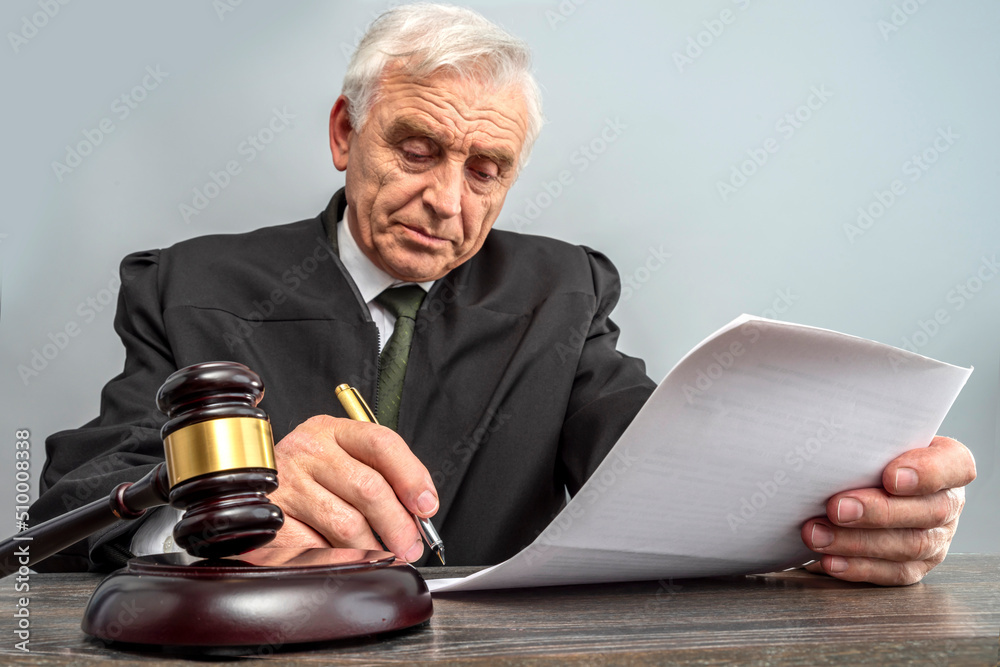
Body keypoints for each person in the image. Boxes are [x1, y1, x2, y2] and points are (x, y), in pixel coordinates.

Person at [31, 3, 975, 586]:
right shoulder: (189, 282)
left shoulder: (562, 289)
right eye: (416, 149)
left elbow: (653, 454)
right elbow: (64, 515)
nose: (447, 202)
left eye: (487, 170)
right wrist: (217, 504)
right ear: (344, 133)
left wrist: (836, 508)